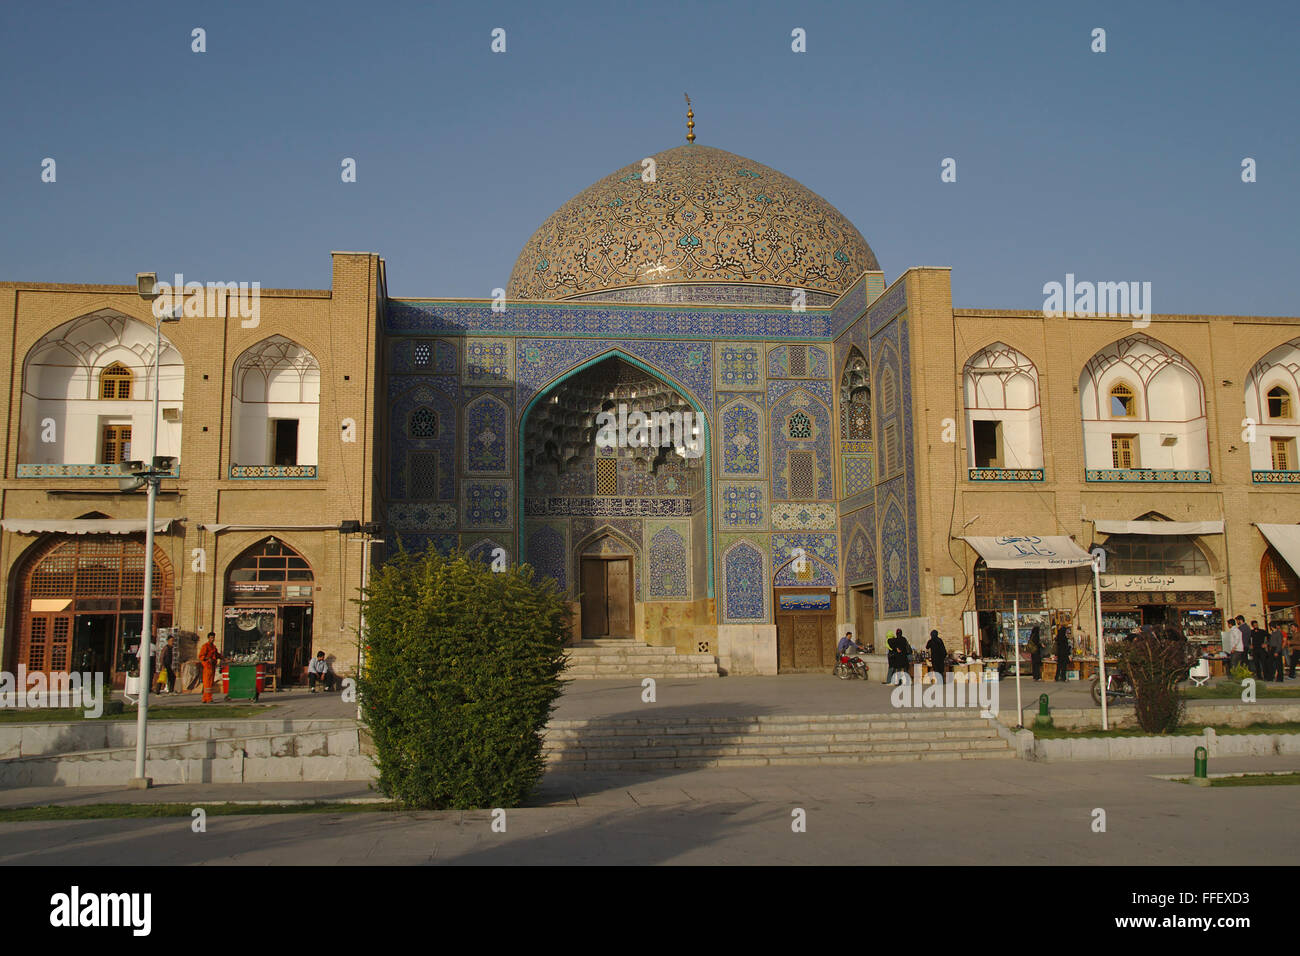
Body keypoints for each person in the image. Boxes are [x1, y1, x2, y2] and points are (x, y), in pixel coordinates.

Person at [198, 632, 223, 703]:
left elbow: (217, 655)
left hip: (212, 667)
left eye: (213, 638)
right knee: (207, 683)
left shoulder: (213, 647)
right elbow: (201, 656)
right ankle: (208, 698)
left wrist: (224, 658)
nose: (212, 639)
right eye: (211, 638)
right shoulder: (205, 646)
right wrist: (207, 658)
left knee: (210, 683)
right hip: (207, 667)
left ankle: (205, 698)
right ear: (208, 638)